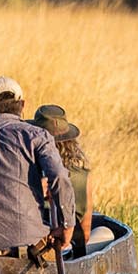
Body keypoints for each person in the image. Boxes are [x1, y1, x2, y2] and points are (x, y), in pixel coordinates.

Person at [0, 76, 72, 260]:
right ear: (22, 105)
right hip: (27, 242)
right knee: (69, 249)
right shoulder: (37, 134)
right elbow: (59, 175)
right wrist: (67, 224)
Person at [31, 105, 115, 254]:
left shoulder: (25, 172)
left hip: (31, 242)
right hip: (64, 245)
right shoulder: (83, 176)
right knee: (105, 232)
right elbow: (85, 234)